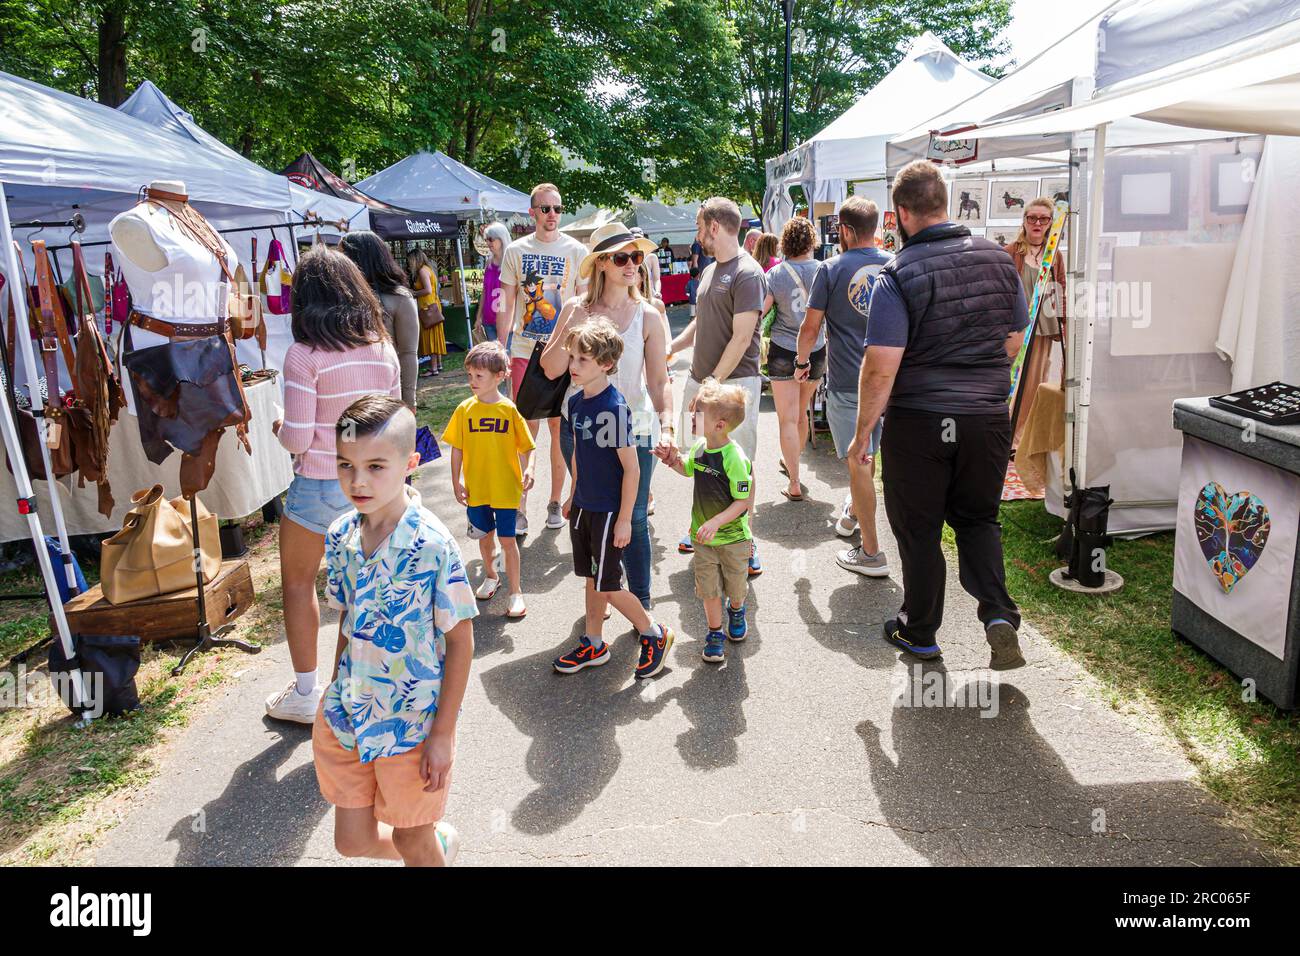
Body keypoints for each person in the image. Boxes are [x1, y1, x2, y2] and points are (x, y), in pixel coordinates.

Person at [849, 160, 1028, 669]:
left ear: (901, 213)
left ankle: (920, 630)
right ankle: (997, 611)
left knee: (919, 528)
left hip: (920, 420)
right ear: (946, 202)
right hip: (986, 416)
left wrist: (864, 434)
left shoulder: (898, 272)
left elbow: (881, 366)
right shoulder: (998, 259)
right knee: (977, 519)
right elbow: (1013, 340)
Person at [315, 395, 476, 866]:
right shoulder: (341, 535)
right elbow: (347, 619)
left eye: (375, 466)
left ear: (410, 463)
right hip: (347, 719)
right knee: (352, 843)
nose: (357, 480)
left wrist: (443, 735)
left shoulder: (432, 546)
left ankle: (431, 847)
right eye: (345, 465)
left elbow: (461, 641)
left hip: (411, 728)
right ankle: (437, 844)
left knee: (411, 841)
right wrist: (331, 688)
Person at [266, 248, 402, 724]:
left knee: (300, 584)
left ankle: (307, 691)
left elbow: (298, 437)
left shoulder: (303, 356)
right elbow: (392, 418)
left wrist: (279, 424)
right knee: (362, 589)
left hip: (320, 483)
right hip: (373, 487)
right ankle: (355, 686)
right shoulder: (381, 347)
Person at [540, 222, 673, 610]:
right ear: (600, 264)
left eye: (637, 257)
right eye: (622, 257)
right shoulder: (575, 308)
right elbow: (550, 369)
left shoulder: (649, 315)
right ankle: (604, 597)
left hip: (633, 426)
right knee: (591, 511)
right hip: (581, 426)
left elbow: (659, 380)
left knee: (632, 518)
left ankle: (642, 606)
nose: (632, 264)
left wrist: (667, 427)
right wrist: (573, 325)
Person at [552, 320, 676, 679]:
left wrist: (624, 519)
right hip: (584, 507)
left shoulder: (614, 407)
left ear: (606, 364)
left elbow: (633, 470)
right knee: (592, 578)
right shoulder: (575, 403)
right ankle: (593, 641)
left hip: (608, 511)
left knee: (608, 583)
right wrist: (572, 495)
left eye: (583, 359)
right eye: (572, 357)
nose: (574, 366)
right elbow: (576, 455)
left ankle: (654, 633)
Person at [669, 197, 766, 574]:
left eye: (698, 228)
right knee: (704, 462)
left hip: (733, 386)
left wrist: (713, 382)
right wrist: (674, 347)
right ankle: (705, 528)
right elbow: (703, 322)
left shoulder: (748, 272)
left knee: (739, 465)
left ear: (713, 226)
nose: (697, 237)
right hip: (703, 381)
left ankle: (745, 539)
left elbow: (742, 338)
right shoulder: (710, 270)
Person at [796, 196, 892, 577]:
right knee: (870, 458)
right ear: (877, 229)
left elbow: (810, 327)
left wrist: (803, 363)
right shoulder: (895, 264)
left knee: (859, 462)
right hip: (893, 383)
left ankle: (871, 552)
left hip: (850, 381)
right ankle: (853, 513)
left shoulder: (831, 269)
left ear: (847, 231)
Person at [498, 183, 587, 534]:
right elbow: (504, 300)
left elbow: (582, 303)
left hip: (562, 352)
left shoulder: (576, 250)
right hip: (523, 350)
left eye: (557, 208)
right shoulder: (515, 251)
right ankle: (520, 506)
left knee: (559, 427)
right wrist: (500, 345)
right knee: (524, 429)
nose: (552, 215)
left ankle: (554, 501)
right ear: (532, 212)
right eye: (545, 209)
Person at [654, 378, 753, 663]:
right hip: (703, 538)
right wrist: (671, 461)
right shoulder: (699, 447)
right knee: (709, 590)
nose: (691, 419)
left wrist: (717, 522)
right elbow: (688, 469)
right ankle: (714, 633)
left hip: (733, 539)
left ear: (719, 425)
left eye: (697, 414)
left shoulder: (734, 457)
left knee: (735, 588)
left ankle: (736, 610)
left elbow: (742, 501)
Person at [442, 341, 536, 619]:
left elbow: (528, 447)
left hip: (506, 489)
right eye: (469, 375)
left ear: (499, 376)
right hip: (477, 490)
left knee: (509, 542)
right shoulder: (464, 410)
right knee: (484, 538)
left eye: (479, 376)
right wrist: (455, 480)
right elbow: (456, 448)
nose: (472, 381)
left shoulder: (509, 410)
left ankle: (515, 592)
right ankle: (491, 575)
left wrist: (529, 468)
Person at [764, 216, 822, 501]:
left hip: (784, 349)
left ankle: (795, 481)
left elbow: (760, 313)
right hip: (817, 348)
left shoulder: (775, 275)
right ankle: (793, 462)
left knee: (786, 418)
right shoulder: (824, 271)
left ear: (785, 242)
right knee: (802, 413)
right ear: (811, 241)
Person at [1004, 198, 1067, 449]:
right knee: (1010, 381)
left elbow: (1060, 288)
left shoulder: (1054, 255)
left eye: (1043, 219)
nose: (1037, 223)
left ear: (1051, 223)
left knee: (1034, 384)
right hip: (1016, 329)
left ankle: (1019, 439)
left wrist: (1062, 324)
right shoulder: (1011, 253)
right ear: (1024, 221)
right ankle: (1004, 431)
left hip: (1042, 329)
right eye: (1032, 218)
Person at [340, 231, 419, 410]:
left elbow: (408, 353)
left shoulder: (399, 298)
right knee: (349, 438)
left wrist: (408, 400)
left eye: (344, 255)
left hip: (386, 394)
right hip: (347, 396)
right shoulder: (340, 297)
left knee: (381, 436)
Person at [407, 248, 445, 377]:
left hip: (427, 308)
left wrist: (413, 293)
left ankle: (433, 368)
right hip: (432, 306)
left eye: (410, 260)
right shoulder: (428, 269)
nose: (409, 263)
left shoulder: (422, 271)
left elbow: (428, 290)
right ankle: (438, 365)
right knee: (435, 336)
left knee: (430, 339)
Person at [479, 221, 512, 345]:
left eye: (491, 239)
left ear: (501, 239)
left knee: (507, 360)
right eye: (486, 239)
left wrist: (513, 320)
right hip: (488, 320)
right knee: (493, 361)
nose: (488, 243)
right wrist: (479, 317)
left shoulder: (511, 263)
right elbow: (485, 291)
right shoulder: (488, 263)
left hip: (505, 321)